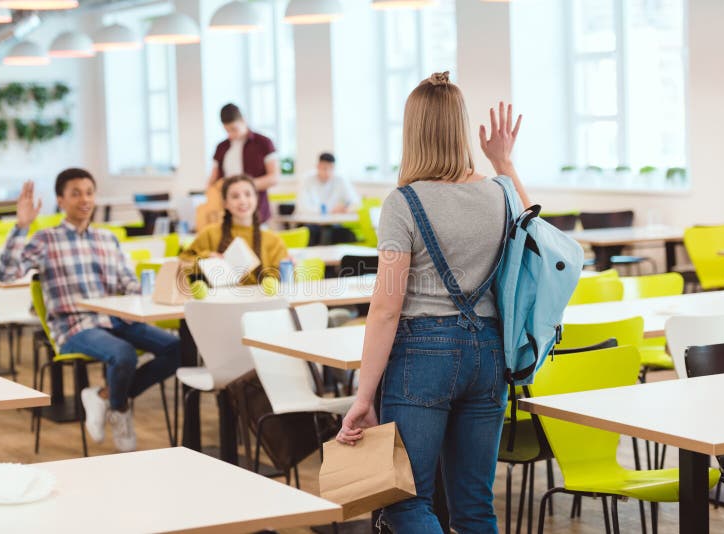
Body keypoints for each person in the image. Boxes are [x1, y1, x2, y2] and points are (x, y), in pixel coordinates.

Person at [335, 72, 530, 533]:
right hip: (490, 351)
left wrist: (365, 397)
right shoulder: (501, 191)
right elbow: (539, 238)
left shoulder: (403, 202)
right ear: (461, 127)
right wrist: (504, 162)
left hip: (423, 355)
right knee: (475, 505)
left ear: (412, 132)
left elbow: (385, 308)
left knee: (407, 502)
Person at [0, 168, 181, 453]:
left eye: (89, 192)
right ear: (60, 200)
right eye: (75, 193)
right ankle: (119, 409)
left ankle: (104, 395)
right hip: (74, 326)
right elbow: (7, 275)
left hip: (117, 320)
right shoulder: (46, 239)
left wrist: (157, 292)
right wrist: (22, 227)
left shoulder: (108, 239)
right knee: (123, 354)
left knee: (179, 349)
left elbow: (129, 283)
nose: (84, 199)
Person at [181, 174, 288, 285]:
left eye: (248, 194)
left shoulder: (274, 241)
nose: (242, 201)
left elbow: (284, 283)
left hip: (261, 301)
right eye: (235, 196)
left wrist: (289, 270)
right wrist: (206, 258)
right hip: (219, 301)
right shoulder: (210, 234)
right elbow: (183, 263)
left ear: (256, 198)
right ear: (225, 203)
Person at [208, 104, 279, 223]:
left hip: (257, 212)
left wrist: (242, 187)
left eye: (234, 129)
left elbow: (274, 177)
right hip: (228, 214)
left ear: (243, 120)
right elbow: (212, 180)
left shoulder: (264, 143)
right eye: (227, 130)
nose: (231, 134)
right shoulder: (221, 147)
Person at [297, 152, 361, 245]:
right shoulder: (307, 180)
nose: (328, 172)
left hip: (332, 224)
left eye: (331, 169)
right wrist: (329, 210)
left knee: (348, 235)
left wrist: (346, 208)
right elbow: (302, 207)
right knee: (314, 234)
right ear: (318, 166)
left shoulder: (340, 180)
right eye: (325, 168)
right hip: (310, 224)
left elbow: (356, 202)